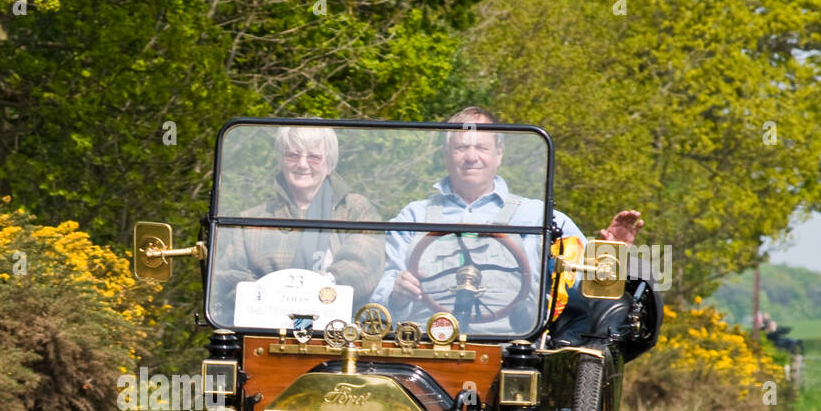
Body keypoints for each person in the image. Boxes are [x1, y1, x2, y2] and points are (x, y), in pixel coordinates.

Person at [371, 107, 643, 339]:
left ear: (498, 154)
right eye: (461, 147)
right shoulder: (413, 217)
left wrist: (610, 253)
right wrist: (397, 295)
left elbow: (585, 286)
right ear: (446, 155)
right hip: (423, 343)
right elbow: (377, 296)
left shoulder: (541, 218)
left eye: (481, 147)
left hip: (513, 348)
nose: (471, 156)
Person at [213, 126, 385, 301]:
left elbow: (365, 266)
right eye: (293, 155)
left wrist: (315, 292)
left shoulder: (355, 209)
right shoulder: (250, 220)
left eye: (314, 157)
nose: (302, 164)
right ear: (281, 161)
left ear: (329, 165)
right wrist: (273, 299)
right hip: (265, 324)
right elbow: (229, 278)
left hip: (337, 324)